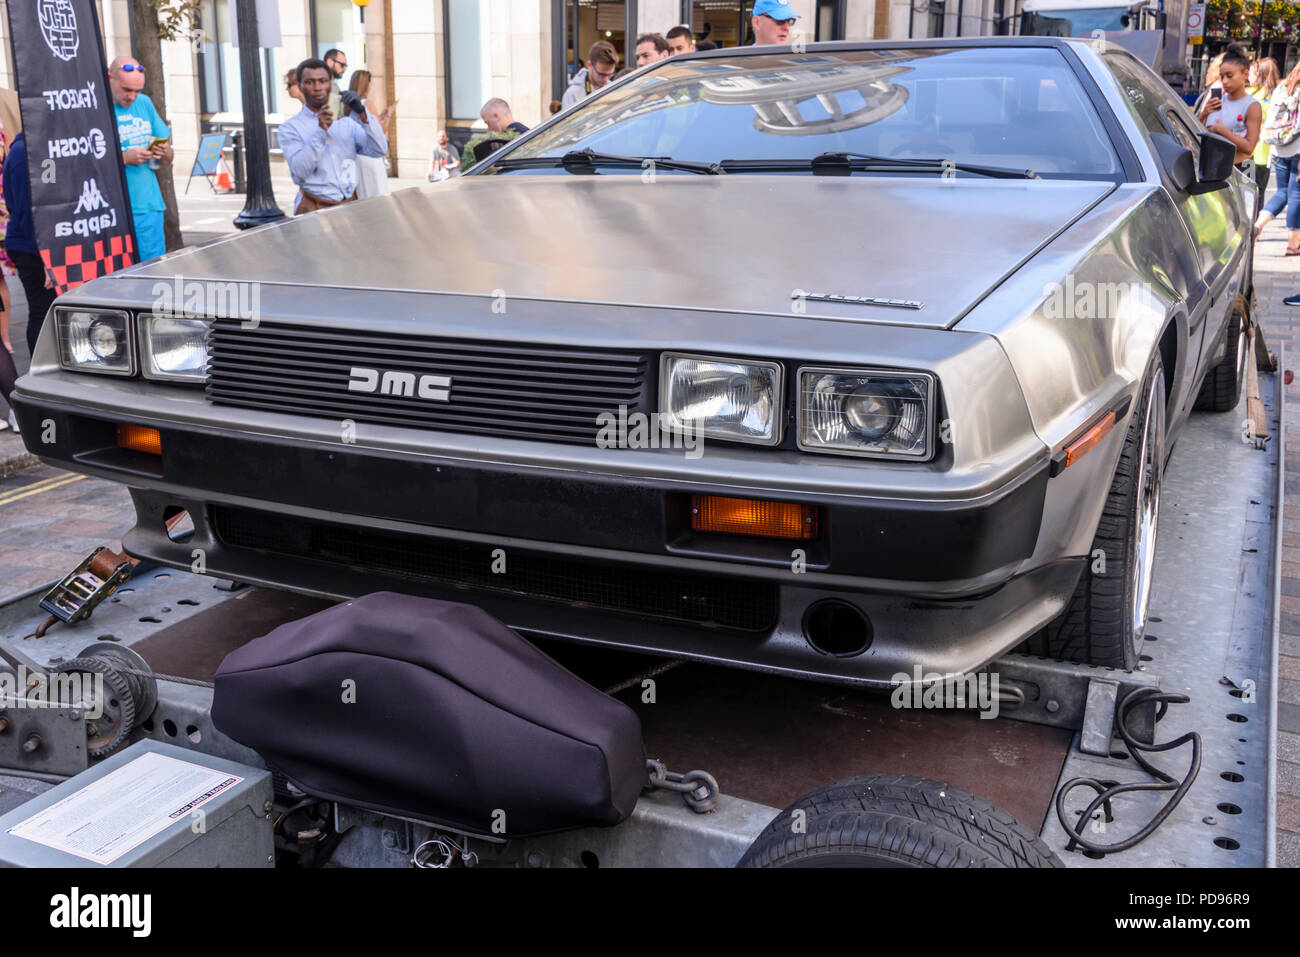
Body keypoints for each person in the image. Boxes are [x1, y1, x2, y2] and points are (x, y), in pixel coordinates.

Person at [279, 58, 388, 215]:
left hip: (350, 205)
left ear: (330, 84)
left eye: (322, 81)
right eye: (310, 82)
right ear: (301, 87)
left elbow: (379, 149)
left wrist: (363, 114)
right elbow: (300, 172)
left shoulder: (346, 124)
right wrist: (321, 132)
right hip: (314, 208)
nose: (317, 87)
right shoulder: (290, 128)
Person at [1, 132, 57, 433]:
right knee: (41, 312)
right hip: (30, 248)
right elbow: (26, 212)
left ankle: (21, 407)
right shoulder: (24, 153)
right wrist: (47, 258)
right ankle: (28, 403)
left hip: (30, 245)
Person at [108, 56, 173, 262]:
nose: (132, 97)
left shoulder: (144, 103)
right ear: (110, 78)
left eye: (137, 91)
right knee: (118, 276)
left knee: (152, 271)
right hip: (113, 210)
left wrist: (163, 153)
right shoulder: (96, 107)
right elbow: (84, 161)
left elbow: (168, 156)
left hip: (148, 205)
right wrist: (124, 158)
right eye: (127, 90)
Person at [1258, 59, 1300, 252]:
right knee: (1296, 194)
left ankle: (1258, 226)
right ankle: (1293, 244)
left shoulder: (1282, 87)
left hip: (1278, 146)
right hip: (1297, 149)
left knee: (1281, 192)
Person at [1198, 43, 1260, 168]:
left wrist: (1224, 132)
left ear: (1246, 74)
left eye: (1229, 76)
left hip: (1241, 168)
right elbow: (1197, 133)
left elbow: (1249, 148)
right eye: (1222, 76)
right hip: (1213, 164)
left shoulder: (1252, 106)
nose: (1225, 81)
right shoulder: (1217, 100)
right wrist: (1203, 114)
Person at [343, 69, 394, 199]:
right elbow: (380, 132)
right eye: (370, 82)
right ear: (366, 84)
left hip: (357, 158)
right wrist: (388, 114)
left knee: (363, 196)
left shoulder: (347, 107)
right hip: (371, 157)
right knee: (376, 196)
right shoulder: (367, 104)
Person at [461, 99, 529, 171]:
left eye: (488, 123)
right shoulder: (528, 134)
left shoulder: (507, 140)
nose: (488, 129)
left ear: (496, 116)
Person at [562, 40, 618, 110]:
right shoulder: (572, 94)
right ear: (589, 65)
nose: (606, 79)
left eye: (610, 75)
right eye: (601, 75)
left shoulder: (613, 89)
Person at [323, 47, 348, 119]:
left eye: (345, 66)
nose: (344, 69)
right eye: (342, 65)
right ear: (330, 62)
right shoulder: (323, 86)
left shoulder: (335, 86)